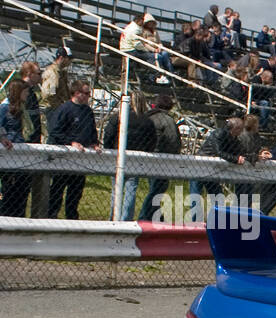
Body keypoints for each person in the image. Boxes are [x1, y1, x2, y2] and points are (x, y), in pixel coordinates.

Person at [46, 79, 101, 219]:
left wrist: (94, 143)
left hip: (80, 159)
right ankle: (51, 216)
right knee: (57, 190)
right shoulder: (65, 109)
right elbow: (55, 132)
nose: (89, 96)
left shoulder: (88, 111)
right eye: (87, 93)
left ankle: (72, 217)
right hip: (64, 158)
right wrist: (71, 142)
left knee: (76, 191)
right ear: (77, 93)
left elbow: (92, 130)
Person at [101, 92, 157, 221]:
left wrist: (110, 149)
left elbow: (108, 135)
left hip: (118, 156)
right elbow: (152, 141)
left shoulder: (118, 117)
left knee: (116, 190)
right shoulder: (147, 121)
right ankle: (125, 219)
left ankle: (113, 217)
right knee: (131, 190)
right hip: (136, 159)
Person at [191, 117, 246, 206]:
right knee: (196, 195)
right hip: (201, 164)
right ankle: (195, 219)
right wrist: (236, 159)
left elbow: (238, 151)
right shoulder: (219, 133)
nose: (242, 132)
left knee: (218, 196)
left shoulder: (233, 138)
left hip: (212, 167)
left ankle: (217, 218)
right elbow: (219, 151)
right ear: (236, 129)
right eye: (241, 129)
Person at [143, 96, 181, 222]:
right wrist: (174, 154)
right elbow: (173, 140)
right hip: (162, 158)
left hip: (149, 156)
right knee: (157, 190)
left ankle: (156, 215)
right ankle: (145, 215)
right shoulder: (167, 120)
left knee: (155, 189)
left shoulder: (149, 116)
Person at [0, 79, 32, 217]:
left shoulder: (23, 109)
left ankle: (19, 218)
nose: (28, 94)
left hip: (22, 153)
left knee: (22, 190)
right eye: (25, 91)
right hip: (9, 155)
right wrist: (2, 137)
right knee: (9, 190)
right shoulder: (4, 108)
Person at [40, 48, 72, 112]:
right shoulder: (52, 72)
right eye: (69, 59)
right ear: (61, 58)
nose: (70, 61)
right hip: (54, 109)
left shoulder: (61, 73)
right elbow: (50, 93)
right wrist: (58, 105)